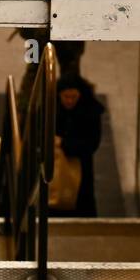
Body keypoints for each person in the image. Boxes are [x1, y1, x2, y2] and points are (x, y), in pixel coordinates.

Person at [49, 72, 104, 217]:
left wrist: (63, 143)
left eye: (73, 97)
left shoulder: (90, 112)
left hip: (81, 166)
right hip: (57, 163)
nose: (69, 101)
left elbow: (92, 143)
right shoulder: (51, 109)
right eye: (66, 97)